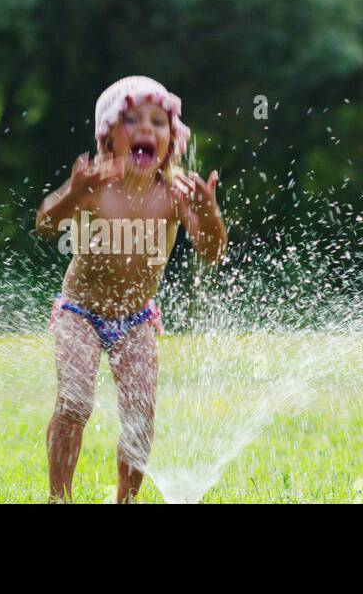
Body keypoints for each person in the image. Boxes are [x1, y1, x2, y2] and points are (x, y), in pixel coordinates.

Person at [35, 76, 227, 503]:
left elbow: (212, 253)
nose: (146, 129)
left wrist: (210, 214)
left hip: (137, 319)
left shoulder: (176, 194)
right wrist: (71, 193)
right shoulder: (95, 186)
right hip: (79, 312)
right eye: (132, 120)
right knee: (74, 403)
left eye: (158, 122)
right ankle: (58, 497)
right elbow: (46, 224)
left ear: (172, 139)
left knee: (140, 415)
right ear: (108, 135)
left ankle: (126, 500)